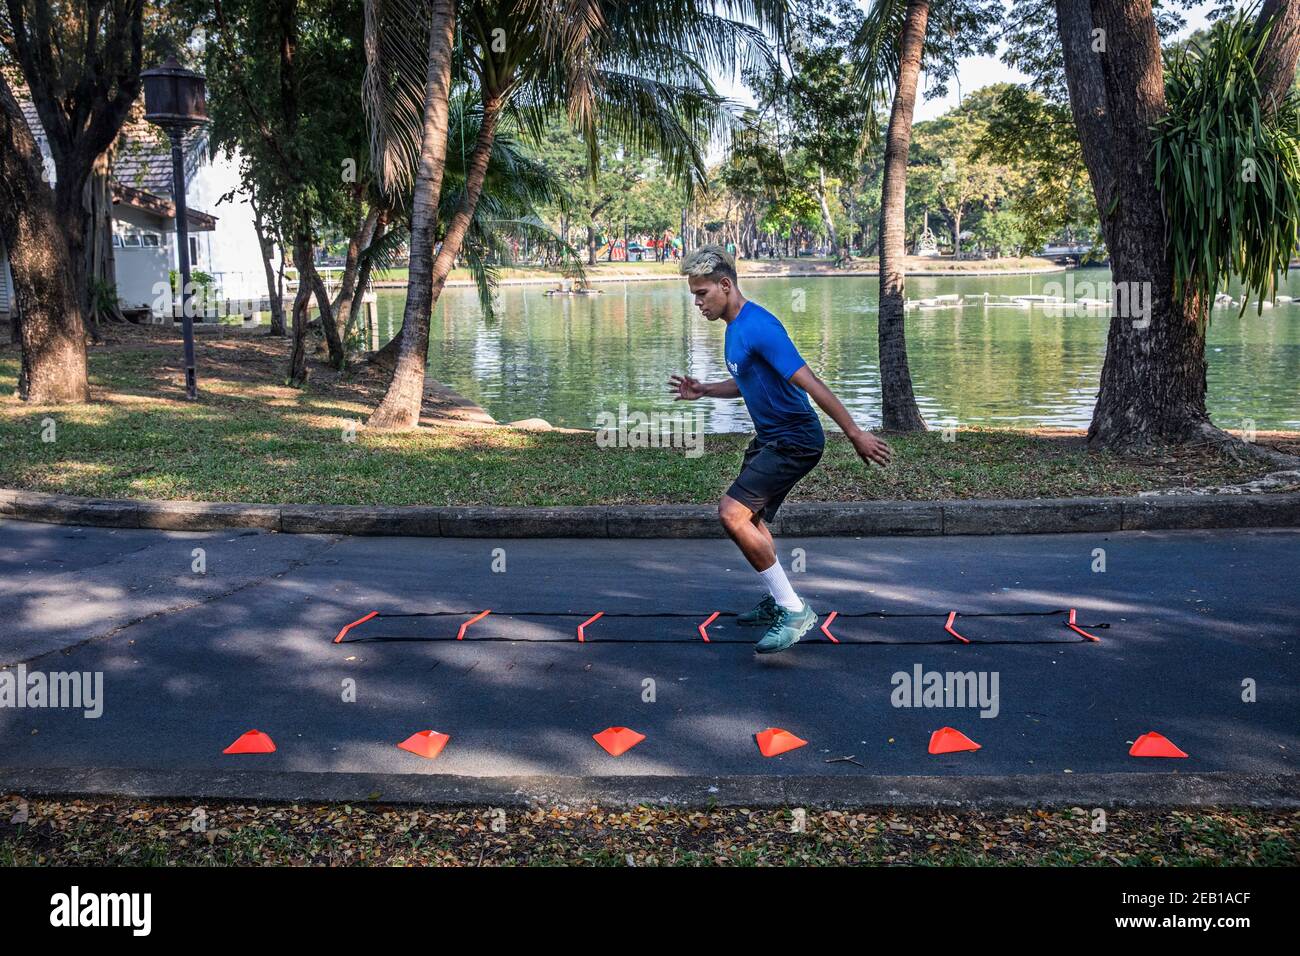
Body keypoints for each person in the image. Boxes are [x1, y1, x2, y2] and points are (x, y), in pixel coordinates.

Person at [668, 245, 893, 654]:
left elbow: (812, 383)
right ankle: (779, 600)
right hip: (771, 438)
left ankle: (793, 609)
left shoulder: (760, 327)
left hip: (795, 439)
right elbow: (747, 381)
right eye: (694, 296)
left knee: (731, 513)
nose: (698, 303)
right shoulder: (735, 329)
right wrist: (705, 390)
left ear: (725, 285)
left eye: (702, 294)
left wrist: (855, 433)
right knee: (747, 517)